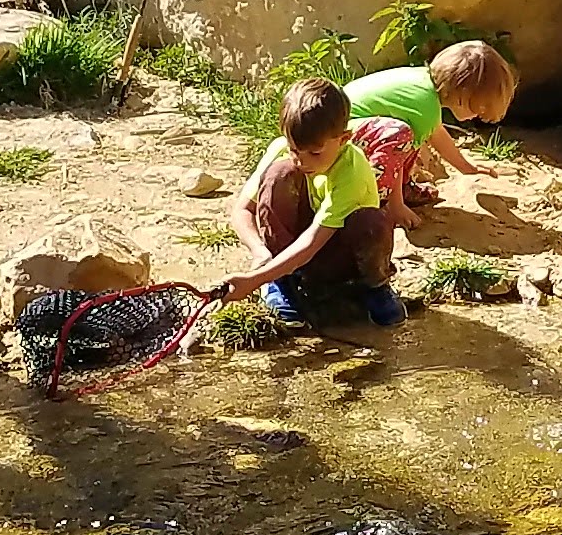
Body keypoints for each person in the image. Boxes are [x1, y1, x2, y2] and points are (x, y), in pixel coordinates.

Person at [222, 77, 403, 326]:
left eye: (315, 153)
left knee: (370, 220)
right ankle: (283, 282)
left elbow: (312, 241)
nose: (302, 161)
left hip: (340, 255)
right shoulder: (281, 152)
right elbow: (243, 209)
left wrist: (255, 280)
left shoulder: (352, 170)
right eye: (295, 149)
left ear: (343, 139)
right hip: (294, 253)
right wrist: (260, 253)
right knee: (278, 175)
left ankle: (373, 286)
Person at [343, 38, 519, 230]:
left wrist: (466, 167)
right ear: (463, 94)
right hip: (340, 135)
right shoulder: (426, 106)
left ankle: (400, 189)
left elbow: (436, 133)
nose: (478, 115)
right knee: (400, 137)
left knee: (406, 136)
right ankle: (383, 201)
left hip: (350, 126)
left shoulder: (425, 88)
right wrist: (397, 206)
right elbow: (398, 155)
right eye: (480, 107)